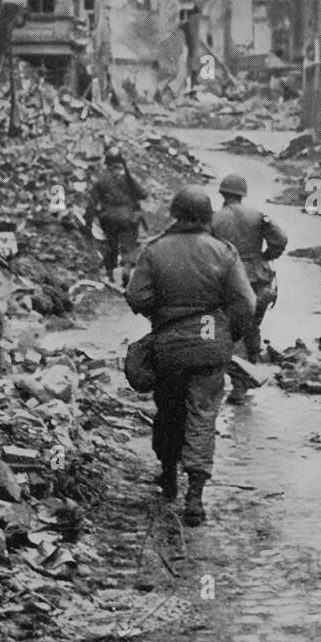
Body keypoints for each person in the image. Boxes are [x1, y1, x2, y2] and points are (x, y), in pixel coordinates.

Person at [125, 185, 255, 525]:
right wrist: (231, 332)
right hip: (212, 338)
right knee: (202, 414)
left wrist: (164, 309)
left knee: (169, 409)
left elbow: (137, 296)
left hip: (169, 343)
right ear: (208, 215)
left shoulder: (156, 251)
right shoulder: (224, 252)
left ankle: (168, 475)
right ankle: (195, 497)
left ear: (175, 213)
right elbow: (246, 303)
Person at [210, 172, 288, 400]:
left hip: (227, 280)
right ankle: (247, 375)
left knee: (228, 330)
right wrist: (264, 256)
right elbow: (280, 239)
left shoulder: (214, 219)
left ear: (223, 193)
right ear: (243, 194)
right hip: (258, 279)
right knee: (252, 327)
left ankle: (234, 383)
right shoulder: (258, 216)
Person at [85, 148, 147, 286]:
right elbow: (143, 194)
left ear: (106, 163)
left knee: (111, 246)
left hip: (109, 220)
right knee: (129, 246)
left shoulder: (101, 180)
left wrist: (87, 225)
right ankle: (127, 269)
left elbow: (91, 205)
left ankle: (111, 276)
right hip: (130, 219)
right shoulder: (128, 178)